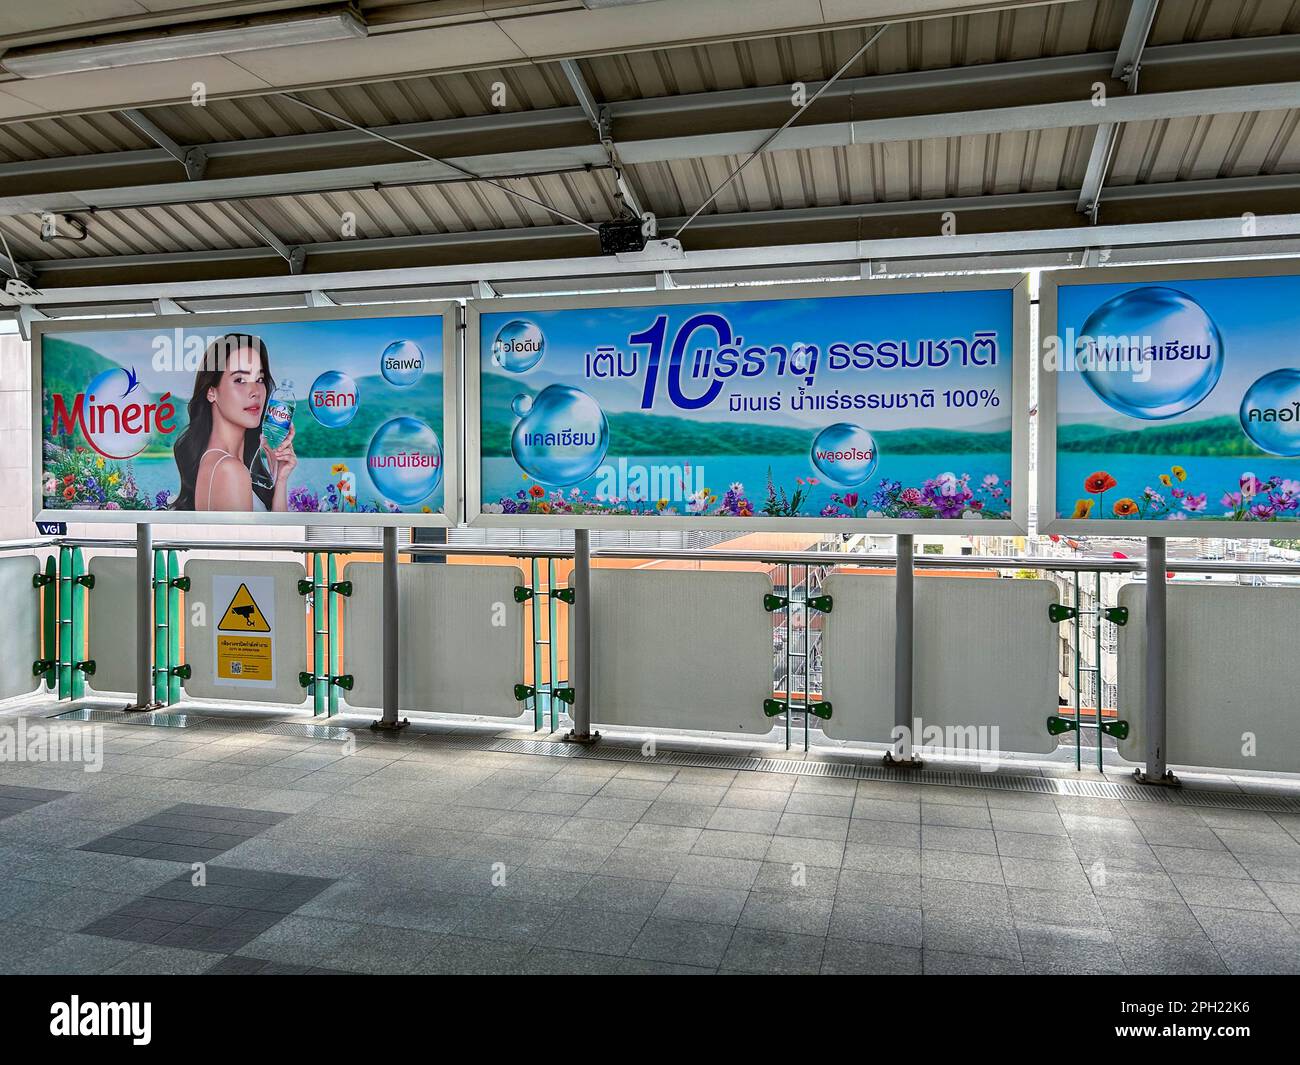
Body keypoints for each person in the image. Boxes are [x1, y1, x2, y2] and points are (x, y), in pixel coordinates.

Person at [171, 333, 296, 511]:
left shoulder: (220, 462)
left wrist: (280, 478)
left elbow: (275, 536)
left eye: (260, 379)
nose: (255, 392)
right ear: (211, 392)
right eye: (240, 380)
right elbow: (276, 540)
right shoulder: (230, 470)